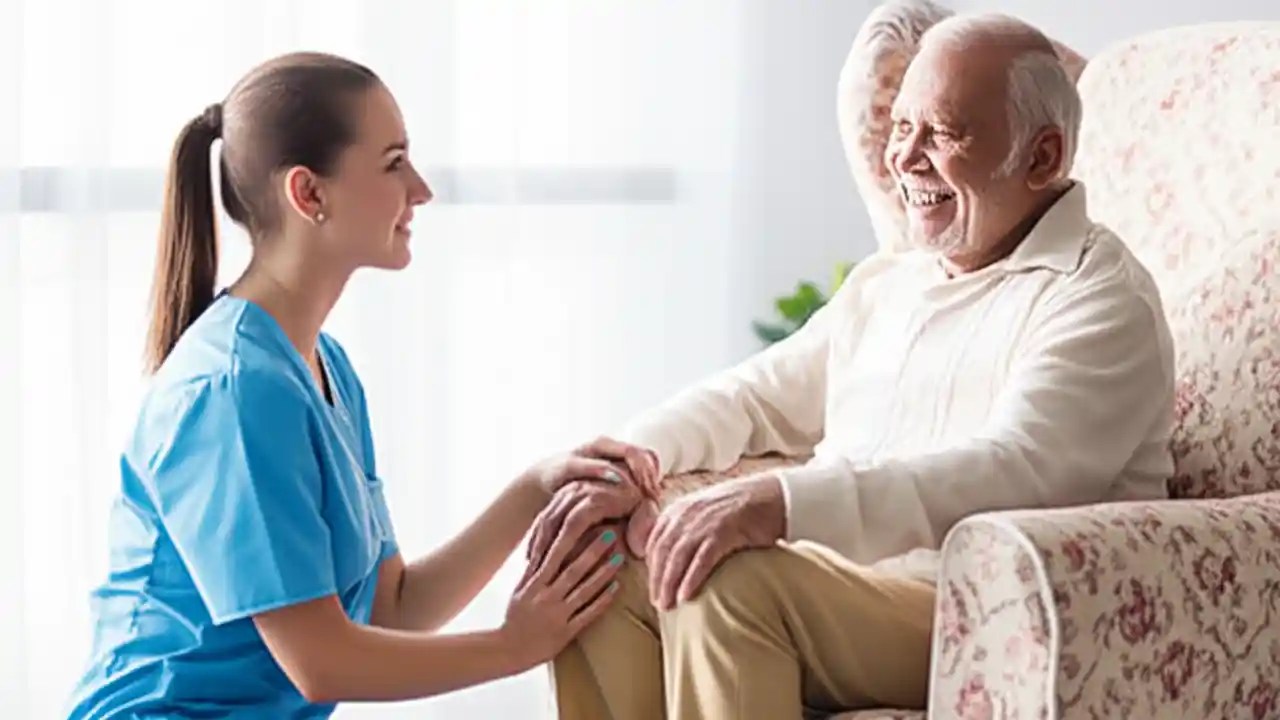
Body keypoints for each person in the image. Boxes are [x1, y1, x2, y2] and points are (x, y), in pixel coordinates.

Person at [535, 11, 1176, 720]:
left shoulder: (1099, 297)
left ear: (1042, 157)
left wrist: (782, 503)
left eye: (943, 131)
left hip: (979, 610)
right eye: (903, 128)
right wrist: (626, 463)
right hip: (842, 585)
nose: (904, 158)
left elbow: (1015, 468)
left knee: (727, 584)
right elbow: (756, 397)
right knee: (594, 570)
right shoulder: (894, 280)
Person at [65, 51, 661, 719]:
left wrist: (536, 487)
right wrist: (512, 647)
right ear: (309, 194)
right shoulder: (232, 392)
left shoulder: (325, 369)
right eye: (393, 162)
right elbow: (321, 664)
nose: (421, 189)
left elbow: (392, 608)